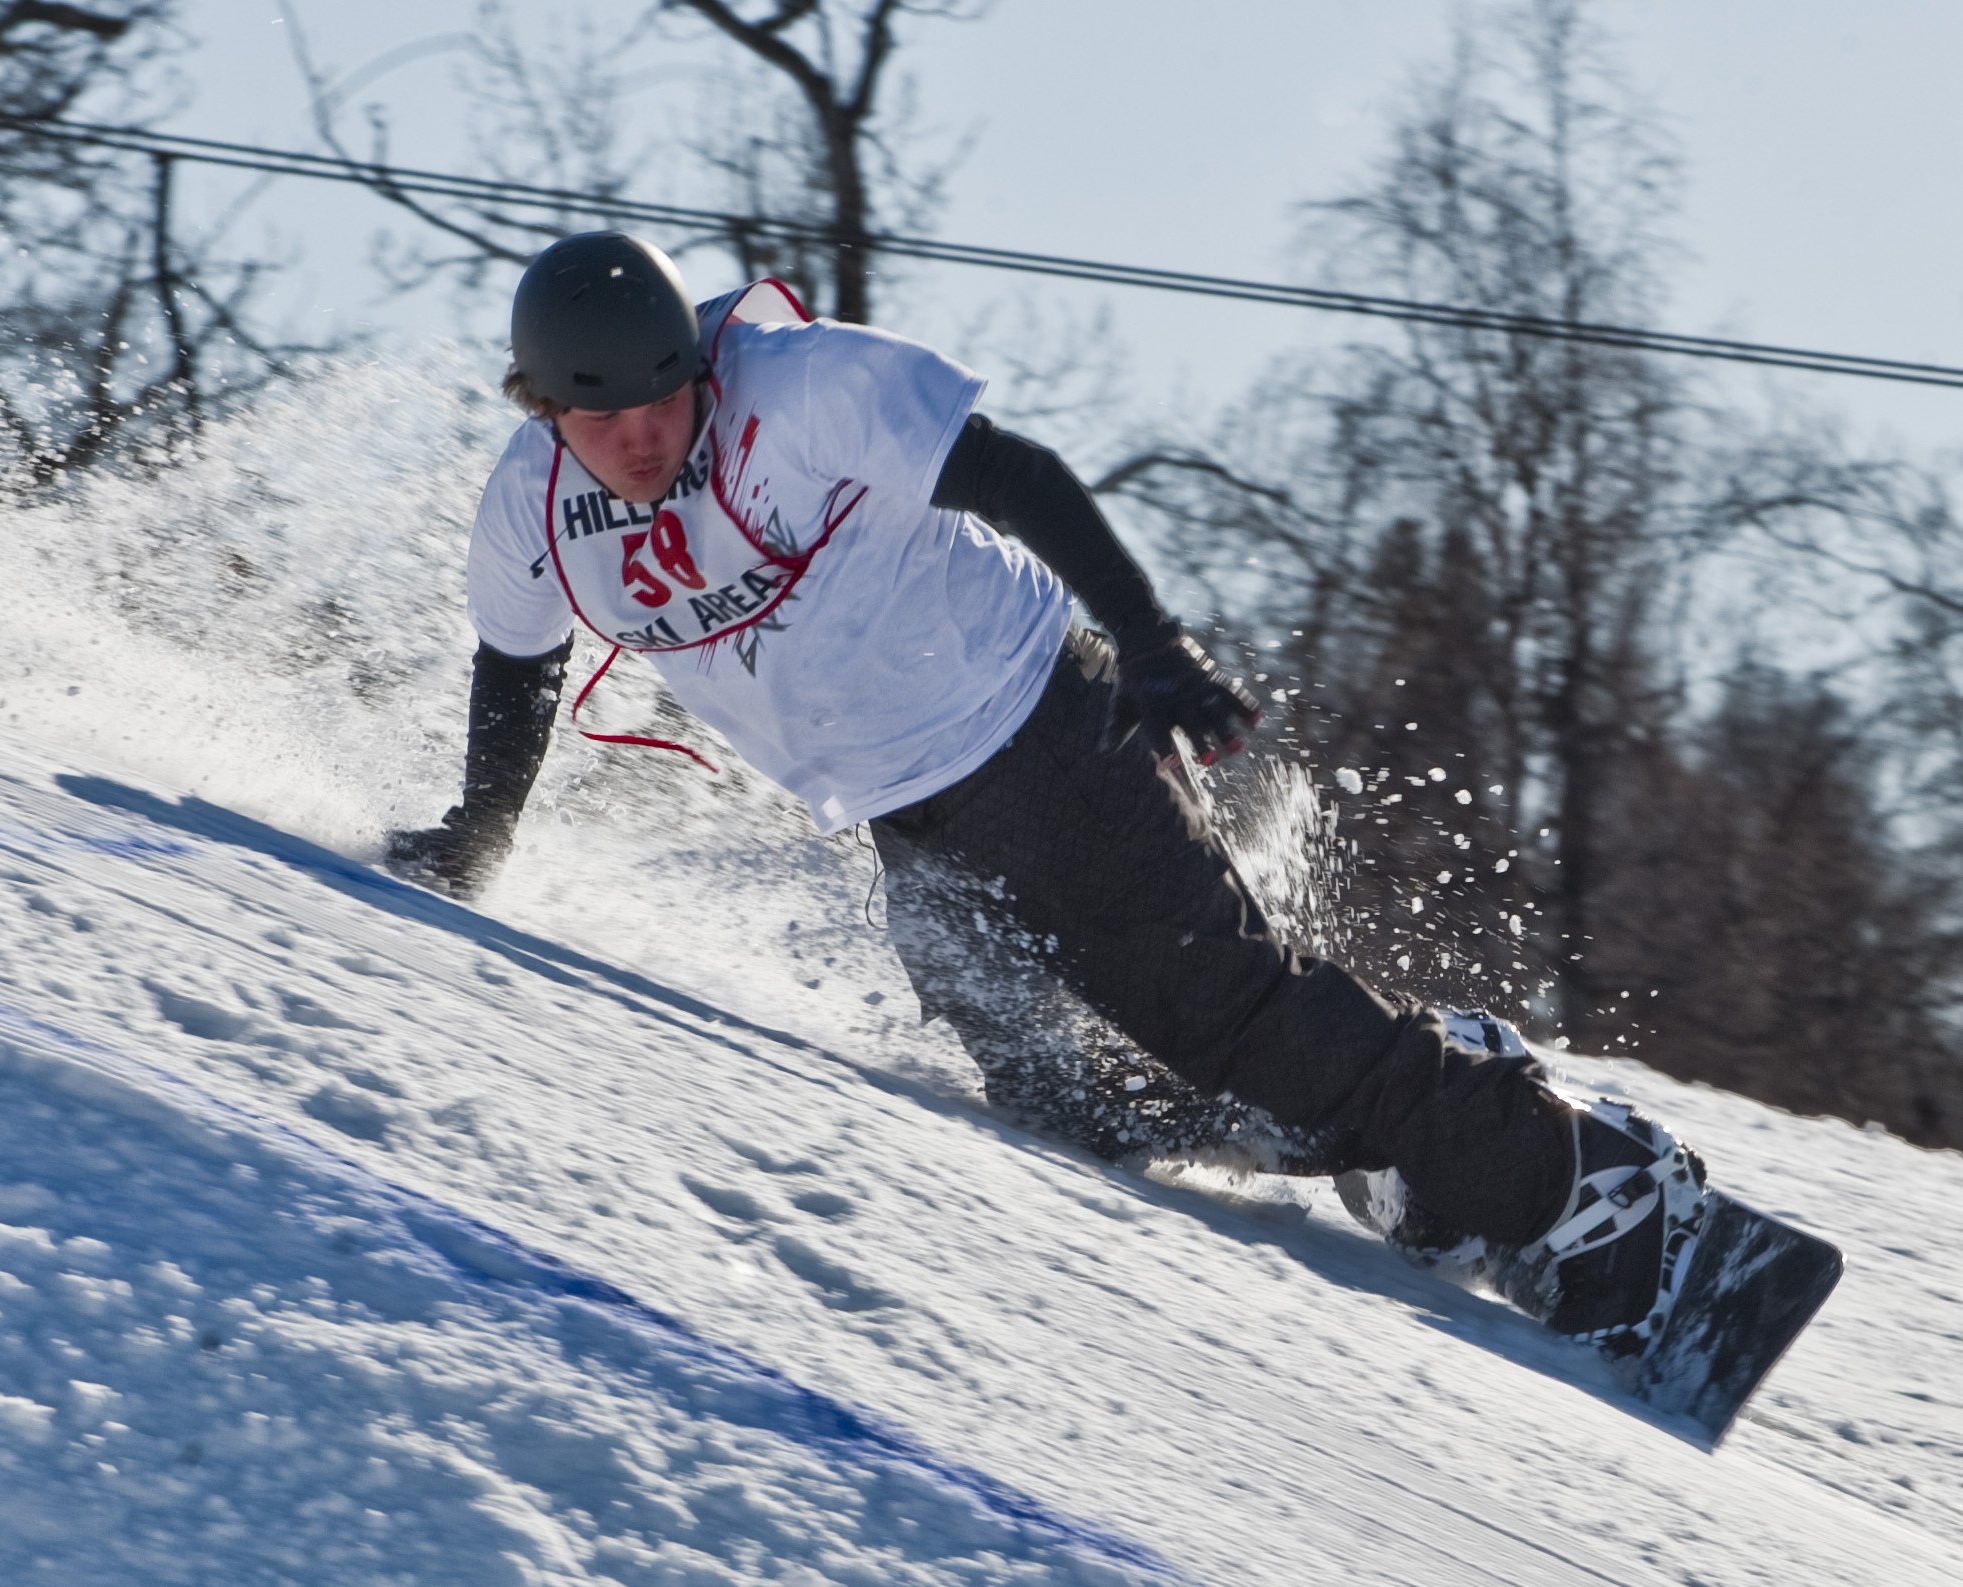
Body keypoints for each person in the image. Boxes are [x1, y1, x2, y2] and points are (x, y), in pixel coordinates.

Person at [387, 230, 1706, 1355]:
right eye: (598, 419)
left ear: (697, 367)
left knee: (1218, 1016)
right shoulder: (532, 507)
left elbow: (1014, 477)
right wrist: (478, 839)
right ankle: (1406, 1108)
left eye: (661, 403)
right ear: (541, 409)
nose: (637, 440)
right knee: (1052, 1098)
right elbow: (516, 673)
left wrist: (1146, 638)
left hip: (1034, 727)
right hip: (904, 811)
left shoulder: (803, 390)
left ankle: (1587, 1189)